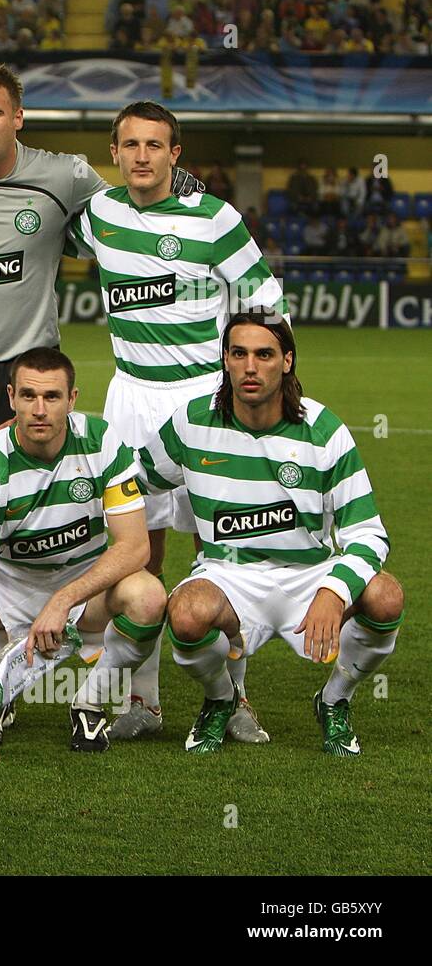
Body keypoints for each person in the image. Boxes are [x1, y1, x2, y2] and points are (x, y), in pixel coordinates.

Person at [0, 63, 205, 722]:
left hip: (25, 377)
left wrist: (183, 185)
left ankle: (24, 663)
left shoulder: (63, 174)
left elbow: (125, 197)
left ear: (17, 117)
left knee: (33, 523)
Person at [65, 100, 284, 742]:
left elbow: (265, 301)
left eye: (154, 146)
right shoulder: (100, 216)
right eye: (129, 145)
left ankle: (234, 699)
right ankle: (143, 702)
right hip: (130, 400)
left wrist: (262, 394)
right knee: (138, 553)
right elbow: (46, 225)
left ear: (174, 154)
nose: (141, 156)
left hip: (204, 400)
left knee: (222, 551)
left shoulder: (215, 218)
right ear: (115, 152)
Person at [138, 312, 403, 756]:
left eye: (264, 354)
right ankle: (221, 699)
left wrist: (334, 591)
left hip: (310, 574)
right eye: (238, 354)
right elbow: (132, 474)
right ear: (224, 359)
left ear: (287, 361)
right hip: (230, 575)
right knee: (185, 614)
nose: (250, 367)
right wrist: (48, 442)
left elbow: (369, 534)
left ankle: (334, 701)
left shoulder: (324, 430)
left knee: (386, 596)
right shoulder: (193, 422)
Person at [0, 347, 167, 761]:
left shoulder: (102, 442)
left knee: (148, 596)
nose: (39, 409)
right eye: (28, 396)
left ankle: (90, 703)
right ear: (11, 397)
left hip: (82, 588)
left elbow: (135, 546)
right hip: (9, 587)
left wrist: (64, 599)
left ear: (73, 399)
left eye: (51, 397)